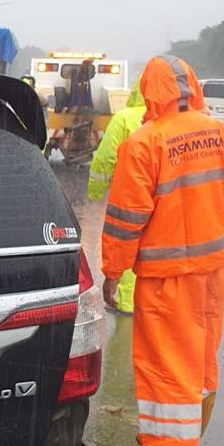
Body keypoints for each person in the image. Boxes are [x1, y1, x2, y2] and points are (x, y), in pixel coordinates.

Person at [100, 55, 224, 446]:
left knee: (168, 368)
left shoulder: (146, 143)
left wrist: (113, 271)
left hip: (168, 279)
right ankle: (184, 440)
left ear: (151, 91)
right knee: (201, 360)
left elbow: (127, 218)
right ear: (193, 88)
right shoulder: (221, 134)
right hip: (211, 275)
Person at [87, 79, 147, 314]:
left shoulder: (125, 118)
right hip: (170, 199)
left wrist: (95, 192)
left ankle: (128, 302)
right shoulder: (175, 120)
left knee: (130, 247)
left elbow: (105, 157)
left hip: (132, 196)